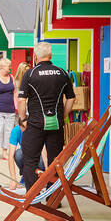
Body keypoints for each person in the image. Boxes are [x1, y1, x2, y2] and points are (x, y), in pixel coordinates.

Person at [16, 42, 74, 191]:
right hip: (56, 125)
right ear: (51, 56)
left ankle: (32, 196)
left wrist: (22, 119)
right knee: (55, 161)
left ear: (35, 57)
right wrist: (63, 116)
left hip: (35, 124)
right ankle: (52, 197)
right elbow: (71, 98)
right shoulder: (62, 73)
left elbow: (21, 100)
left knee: (30, 160)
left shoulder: (30, 74)